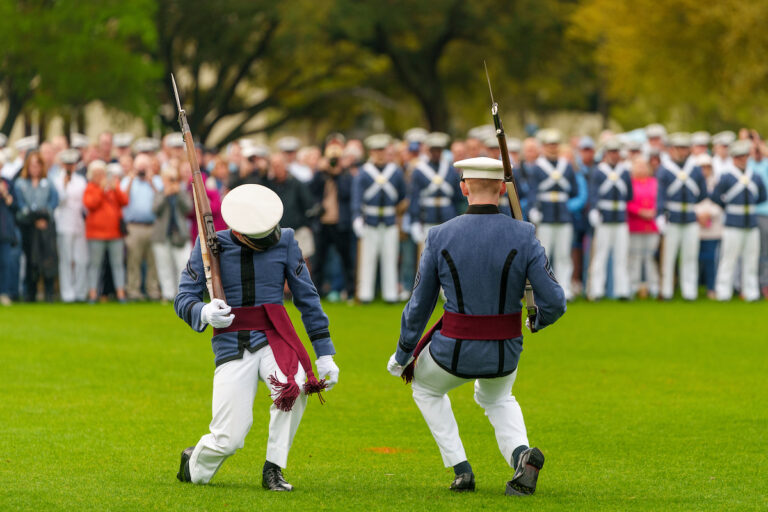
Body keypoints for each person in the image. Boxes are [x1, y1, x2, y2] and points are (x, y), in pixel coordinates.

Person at [387, 156, 566, 495]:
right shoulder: (525, 233)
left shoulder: (440, 235)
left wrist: (403, 354)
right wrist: (537, 321)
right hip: (505, 352)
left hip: (452, 351)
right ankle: (520, 455)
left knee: (425, 389)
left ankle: (462, 469)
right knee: (498, 398)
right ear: (501, 188)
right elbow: (556, 301)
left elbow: (419, 306)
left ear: (464, 187)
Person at [174, 184, 340, 490]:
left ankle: (274, 467)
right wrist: (203, 312)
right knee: (229, 438)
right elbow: (183, 298)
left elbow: (308, 298)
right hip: (232, 342)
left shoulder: (287, 240)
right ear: (238, 231)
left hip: (274, 335)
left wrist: (324, 352)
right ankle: (194, 459)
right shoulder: (209, 245)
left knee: (297, 386)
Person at [351, 134, 407, 303]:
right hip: (370, 219)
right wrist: (356, 218)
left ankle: (390, 294)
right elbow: (357, 197)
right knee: (367, 259)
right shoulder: (363, 172)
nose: (380, 154)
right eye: (376, 150)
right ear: (371, 152)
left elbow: (402, 195)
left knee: (390, 258)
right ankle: (365, 294)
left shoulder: (395, 172)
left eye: (382, 150)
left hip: (390, 220)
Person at [710, 140, 767, 301]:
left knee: (751, 258)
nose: (742, 159)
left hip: (751, 222)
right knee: (729, 258)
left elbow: (762, 196)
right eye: (739, 157)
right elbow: (716, 197)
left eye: (744, 156)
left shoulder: (754, 176)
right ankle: (723, 291)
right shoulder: (727, 177)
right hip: (733, 222)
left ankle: (751, 292)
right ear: (734, 158)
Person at [526, 129, 579, 300]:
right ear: (544, 146)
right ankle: (545, 289)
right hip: (545, 214)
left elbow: (574, 190)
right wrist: (533, 208)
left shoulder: (567, 166)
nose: (552, 148)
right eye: (549, 145)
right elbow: (532, 191)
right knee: (545, 254)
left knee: (564, 254)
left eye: (555, 144)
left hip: (563, 214)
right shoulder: (537, 168)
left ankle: (565, 288)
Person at [657, 133, 707, 300]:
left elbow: (702, 193)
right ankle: (666, 291)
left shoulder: (695, 169)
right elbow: (661, 195)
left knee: (690, 256)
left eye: (685, 148)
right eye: (679, 148)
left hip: (691, 216)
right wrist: (660, 215)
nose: (682, 151)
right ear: (672, 150)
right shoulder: (664, 170)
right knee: (669, 257)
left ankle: (689, 291)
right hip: (672, 216)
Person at [587, 138, 633, 300]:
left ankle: (623, 290)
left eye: (616, 152)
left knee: (622, 255)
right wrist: (594, 210)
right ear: (606, 153)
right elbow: (593, 193)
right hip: (604, 217)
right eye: (611, 152)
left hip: (620, 218)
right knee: (600, 255)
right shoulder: (598, 171)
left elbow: (629, 195)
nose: (614, 155)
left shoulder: (625, 171)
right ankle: (596, 290)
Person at [309, 142, 355, 300]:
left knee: (346, 260)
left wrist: (338, 173)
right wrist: (321, 172)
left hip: (340, 223)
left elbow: (346, 193)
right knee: (319, 261)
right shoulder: (321, 175)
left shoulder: (346, 176)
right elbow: (312, 190)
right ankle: (317, 292)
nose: (333, 162)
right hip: (322, 223)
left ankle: (350, 291)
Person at [15, 151, 59, 302]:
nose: (35, 168)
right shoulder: (21, 183)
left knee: (48, 258)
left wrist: (44, 216)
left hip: (45, 226)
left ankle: (49, 293)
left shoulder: (48, 182)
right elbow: (21, 206)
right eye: (32, 165)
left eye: (38, 165)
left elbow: (54, 201)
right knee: (30, 260)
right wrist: (34, 219)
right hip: (28, 227)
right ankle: (30, 294)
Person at [83, 160, 129, 303]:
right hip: (96, 234)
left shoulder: (113, 187)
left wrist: (116, 189)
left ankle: (120, 293)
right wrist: (101, 190)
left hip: (115, 233)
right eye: (96, 174)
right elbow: (90, 204)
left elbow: (125, 201)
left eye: (101, 173)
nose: (99, 176)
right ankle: (92, 293)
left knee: (117, 264)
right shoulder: (90, 188)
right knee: (95, 265)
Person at [408, 132, 463, 250]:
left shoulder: (451, 171)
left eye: (439, 150)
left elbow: (458, 198)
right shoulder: (419, 171)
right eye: (434, 150)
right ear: (429, 150)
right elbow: (415, 198)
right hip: (427, 217)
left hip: (448, 218)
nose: (436, 153)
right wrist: (415, 221)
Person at [121, 153, 163, 301]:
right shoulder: (127, 180)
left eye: (144, 167)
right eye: (140, 168)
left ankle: (153, 290)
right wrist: (132, 180)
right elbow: (123, 200)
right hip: (134, 226)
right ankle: (133, 291)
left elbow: (161, 200)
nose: (142, 170)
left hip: (153, 225)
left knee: (153, 261)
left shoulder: (156, 181)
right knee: (134, 260)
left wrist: (151, 182)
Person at [265, 153, 318, 262]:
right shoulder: (269, 185)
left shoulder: (296, 183)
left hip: (298, 231)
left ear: (285, 165)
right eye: (274, 166)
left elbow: (309, 205)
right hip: (277, 234)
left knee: (302, 265)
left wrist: (307, 224)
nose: (276, 168)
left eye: (279, 165)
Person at [51, 149, 88, 302]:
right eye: (67, 164)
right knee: (66, 260)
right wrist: (65, 187)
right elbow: (57, 202)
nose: (69, 167)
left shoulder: (81, 180)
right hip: (63, 223)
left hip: (79, 223)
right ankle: (67, 294)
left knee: (81, 260)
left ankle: (80, 292)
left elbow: (85, 204)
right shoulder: (56, 180)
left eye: (71, 164)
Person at [151, 165, 193, 301]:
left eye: (173, 179)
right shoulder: (160, 192)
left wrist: (179, 194)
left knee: (182, 265)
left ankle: (181, 294)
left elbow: (188, 209)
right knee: (164, 265)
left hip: (179, 234)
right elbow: (155, 209)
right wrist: (165, 195)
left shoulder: (182, 192)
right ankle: (167, 294)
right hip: (162, 235)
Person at [626, 157, 660, 298]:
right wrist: (640, 211)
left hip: (652, 225)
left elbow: (660, 199)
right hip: (635, 224)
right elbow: (627, 202)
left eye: (643, 166)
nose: (641, 169)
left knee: (650, 257)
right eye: (638, 166)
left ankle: (654, 286)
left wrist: (654, 211)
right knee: (635, 257)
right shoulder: (630, 183)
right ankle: (632, 286)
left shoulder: (654, 183)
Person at [693, 154, 724, 299]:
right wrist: (698, 215)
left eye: (707, 166)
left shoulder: (717, 183)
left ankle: (711, 288)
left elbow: (721, 203)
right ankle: (692, 288)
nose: (704, 170)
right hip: (695, 224)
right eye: (702, 167)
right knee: (693, 259)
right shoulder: (692, 182)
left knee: (711, 259)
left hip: (713, 226)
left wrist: (709, 214)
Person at [0, 174, 20, 305]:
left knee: (5, 263)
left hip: (4, 230)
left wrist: (5, 193)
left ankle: (4, 293)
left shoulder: (8, 183)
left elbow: (15, 206)